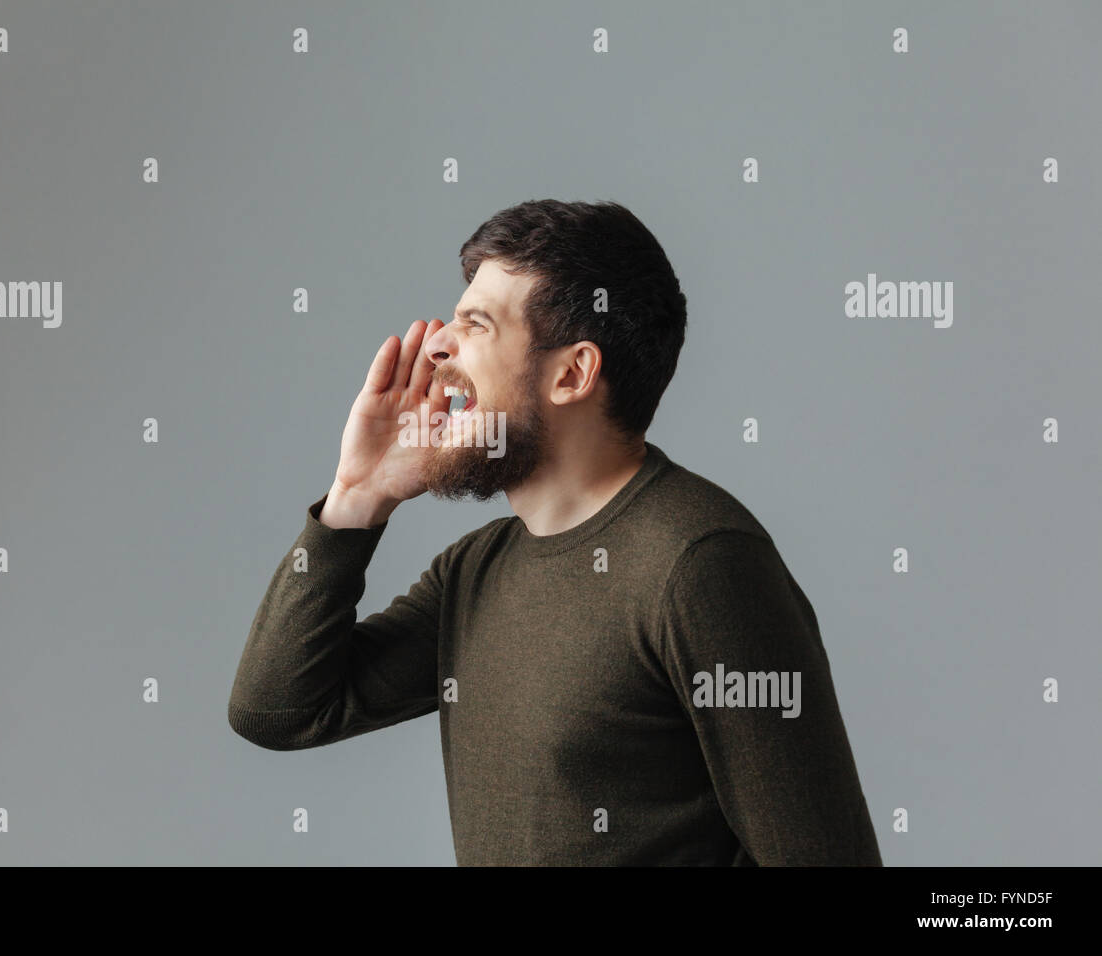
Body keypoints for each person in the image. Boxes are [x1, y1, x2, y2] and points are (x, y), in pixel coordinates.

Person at [228, 199, 883, 866]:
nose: (436, 345)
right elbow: (278, 711)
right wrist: (356, 498)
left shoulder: (700, 565)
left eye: (476, 324)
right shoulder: (474, 572)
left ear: (572, 374)